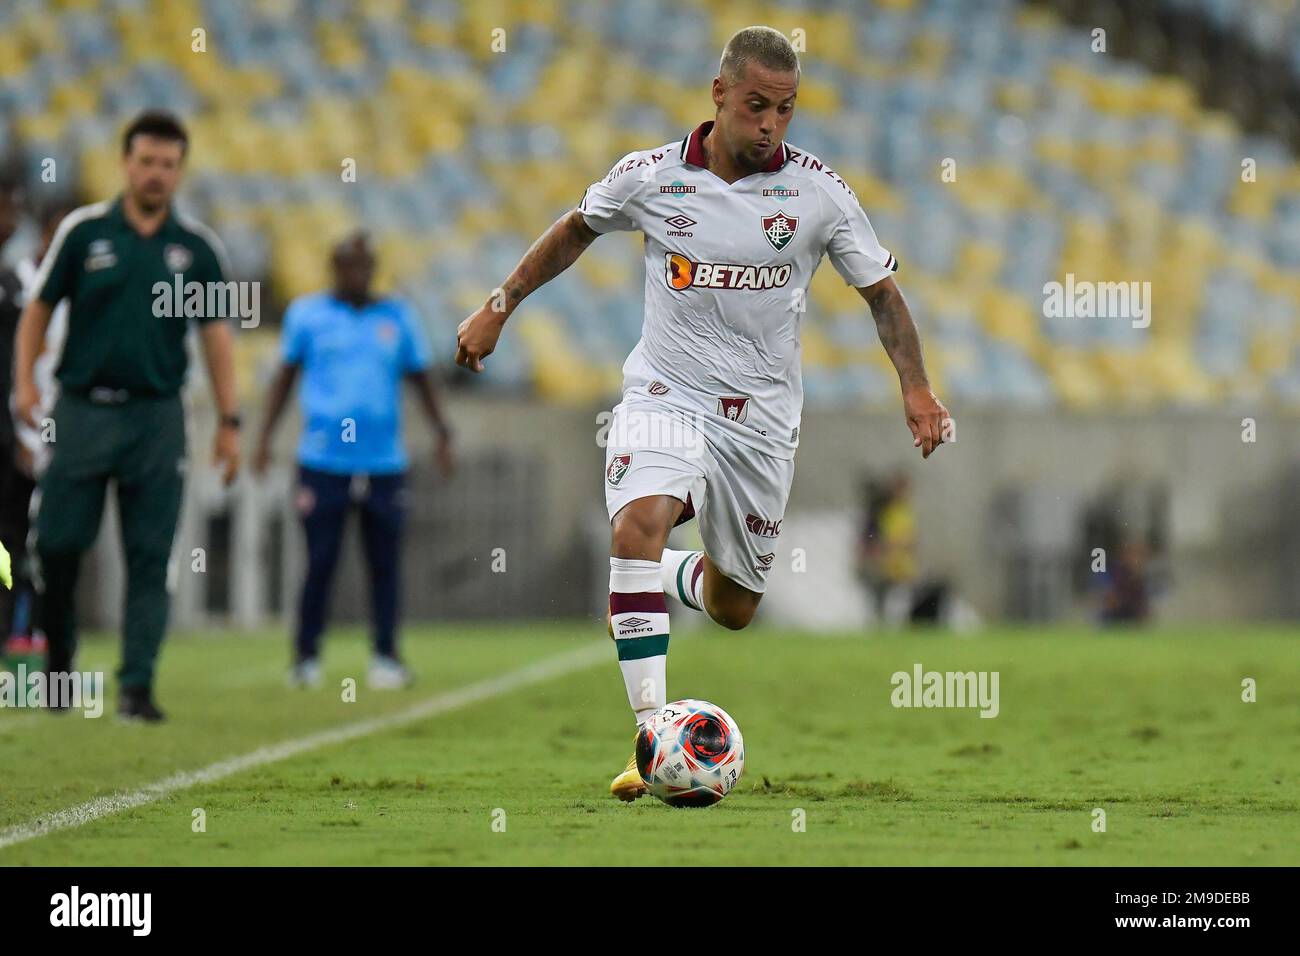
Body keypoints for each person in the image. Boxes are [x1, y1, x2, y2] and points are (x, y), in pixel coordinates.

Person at [454, 26, 952, 800]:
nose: (770, 125)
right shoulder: (651, 177)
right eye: (757, 105)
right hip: (666, 393)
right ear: (720, 95)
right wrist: (500, 305)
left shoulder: (819, 195)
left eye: (785, 110)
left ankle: (670, 577)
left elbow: (881, 295)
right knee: (637, 526)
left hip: (760, 424)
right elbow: (574, 231)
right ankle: (651, 736)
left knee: (735, 605)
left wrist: (915, 390)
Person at [12, 110, 241, 721]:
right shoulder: (84, 235)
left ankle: (136, 686)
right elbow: (38, 309)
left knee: (150, 554)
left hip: (156, 416)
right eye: (147, 161)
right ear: (125, 163)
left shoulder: (195, 250)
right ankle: (59, 664)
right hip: (82, 410)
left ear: (180, 170)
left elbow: (217, 337)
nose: (157, 174)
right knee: (56, 545)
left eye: (169, 164)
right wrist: (24, 386)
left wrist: (229, 420)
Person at [253, 231, 453, 690]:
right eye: (350, 264)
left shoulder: (397, 316)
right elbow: (284, 378)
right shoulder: (308, 314)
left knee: (384, 564)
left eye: (365, 265)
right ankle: (305, 658)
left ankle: (386, 657)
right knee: (320, 561)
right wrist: (263, 438)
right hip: (322, 461)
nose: (358, 273)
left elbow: (422, 378)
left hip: (384, 462)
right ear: (334, 267)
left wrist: (442, 433)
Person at [2, 202, 72, 668]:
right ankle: (15, 644)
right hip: (13, 440)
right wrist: (20, 438)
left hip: (66, 441)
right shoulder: (12, 285)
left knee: (57, 551)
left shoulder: (84, 288)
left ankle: (52, 660)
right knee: (7, 549)